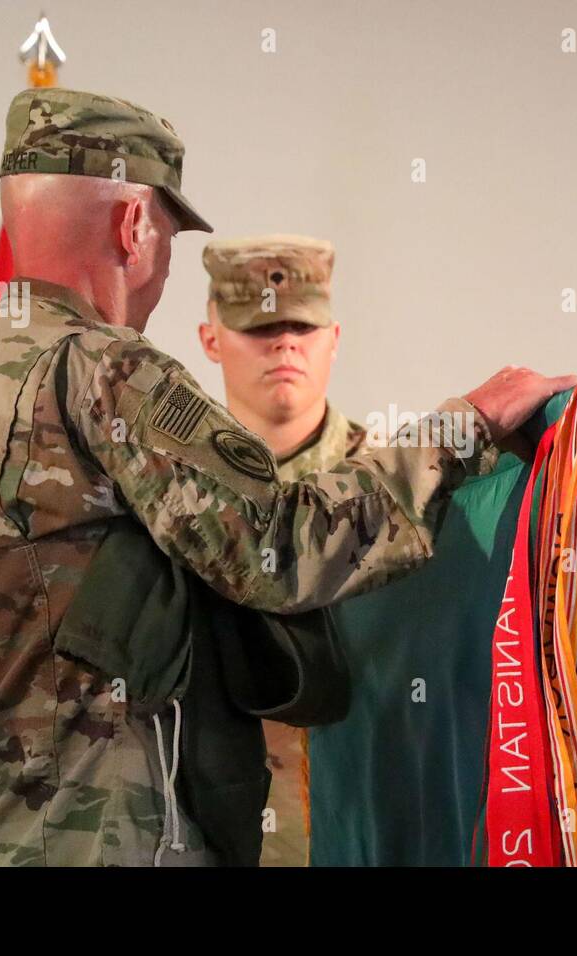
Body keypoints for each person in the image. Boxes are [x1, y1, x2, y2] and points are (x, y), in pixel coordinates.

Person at [0, 87, 572, 866]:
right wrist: (470, 425)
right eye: (170, 238)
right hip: (105, 843)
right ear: (133, 226)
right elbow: (279, 548)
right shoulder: (104, 369)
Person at [199, 234, 364, 866]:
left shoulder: (400, 497)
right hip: (210, 835)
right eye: (260, 325)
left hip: (357, 829)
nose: (285, 343)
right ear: (210, 339)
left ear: (334, 336)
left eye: (302, 324)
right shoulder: (167, 499)